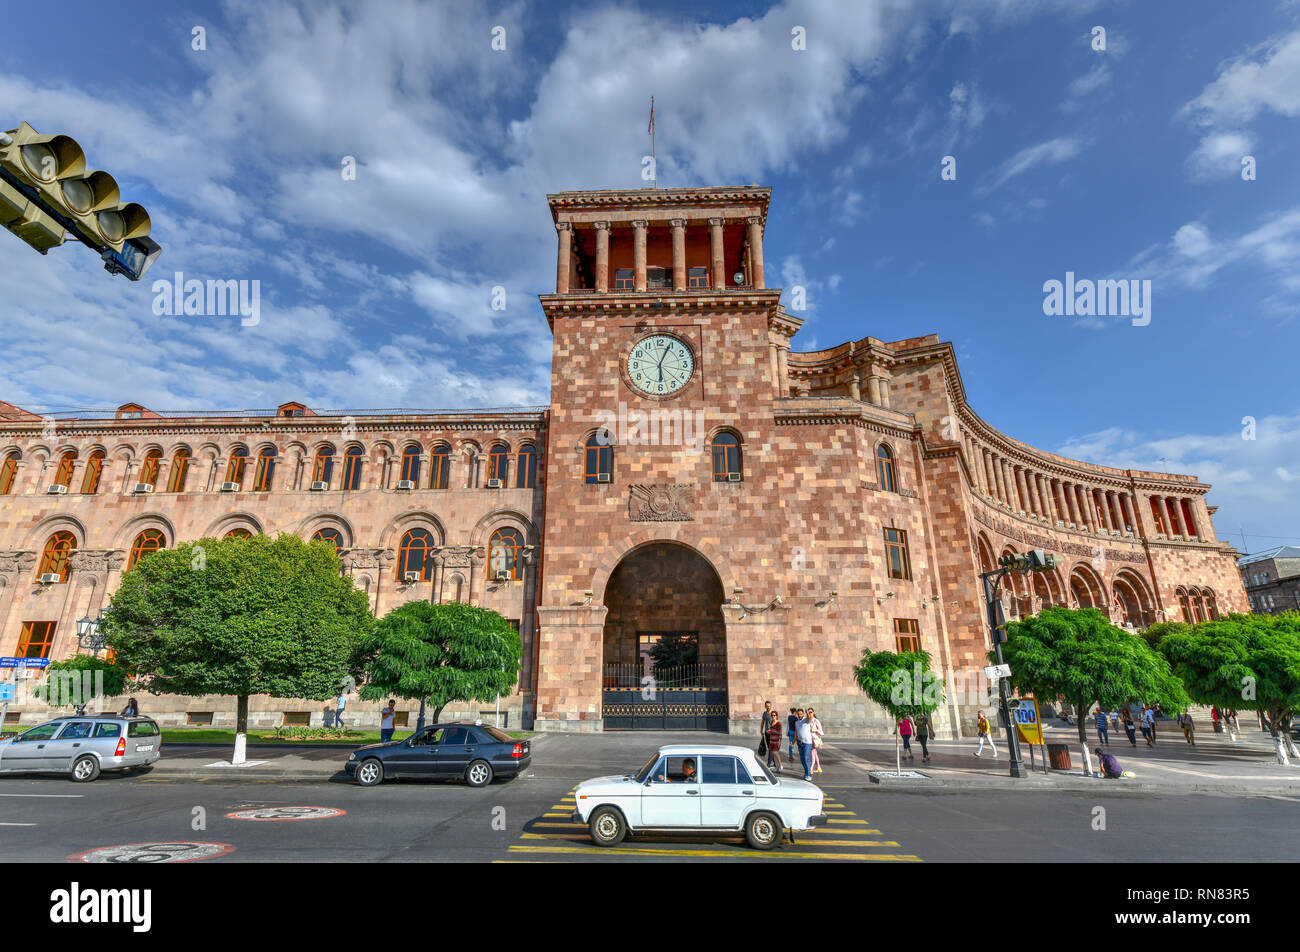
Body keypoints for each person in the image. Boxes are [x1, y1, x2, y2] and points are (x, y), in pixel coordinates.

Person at [795, 708, 813, 780]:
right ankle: (806, 773)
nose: (799, 715)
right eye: (798, 714)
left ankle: (809, 775)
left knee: (806, 758)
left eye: (801, 714)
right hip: (800, 742)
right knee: (802, 759)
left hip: (807, 743)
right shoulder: (796, 722)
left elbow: (809, 718)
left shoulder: (806, 720)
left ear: (803, 714)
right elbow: (796, 733)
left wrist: (807, 713)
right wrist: (793, 742)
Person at [807, 707, 825, 774]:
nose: (809, 714)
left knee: (812, 754)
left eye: (811, 712)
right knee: (815, 754)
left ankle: (811, 768)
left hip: (814, 740)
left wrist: (815, 730)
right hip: (809, 739)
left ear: (813, 712)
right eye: (808, 712)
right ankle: (819, 767)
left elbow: (821, 732)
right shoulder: (807, 720)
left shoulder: (816, 721)